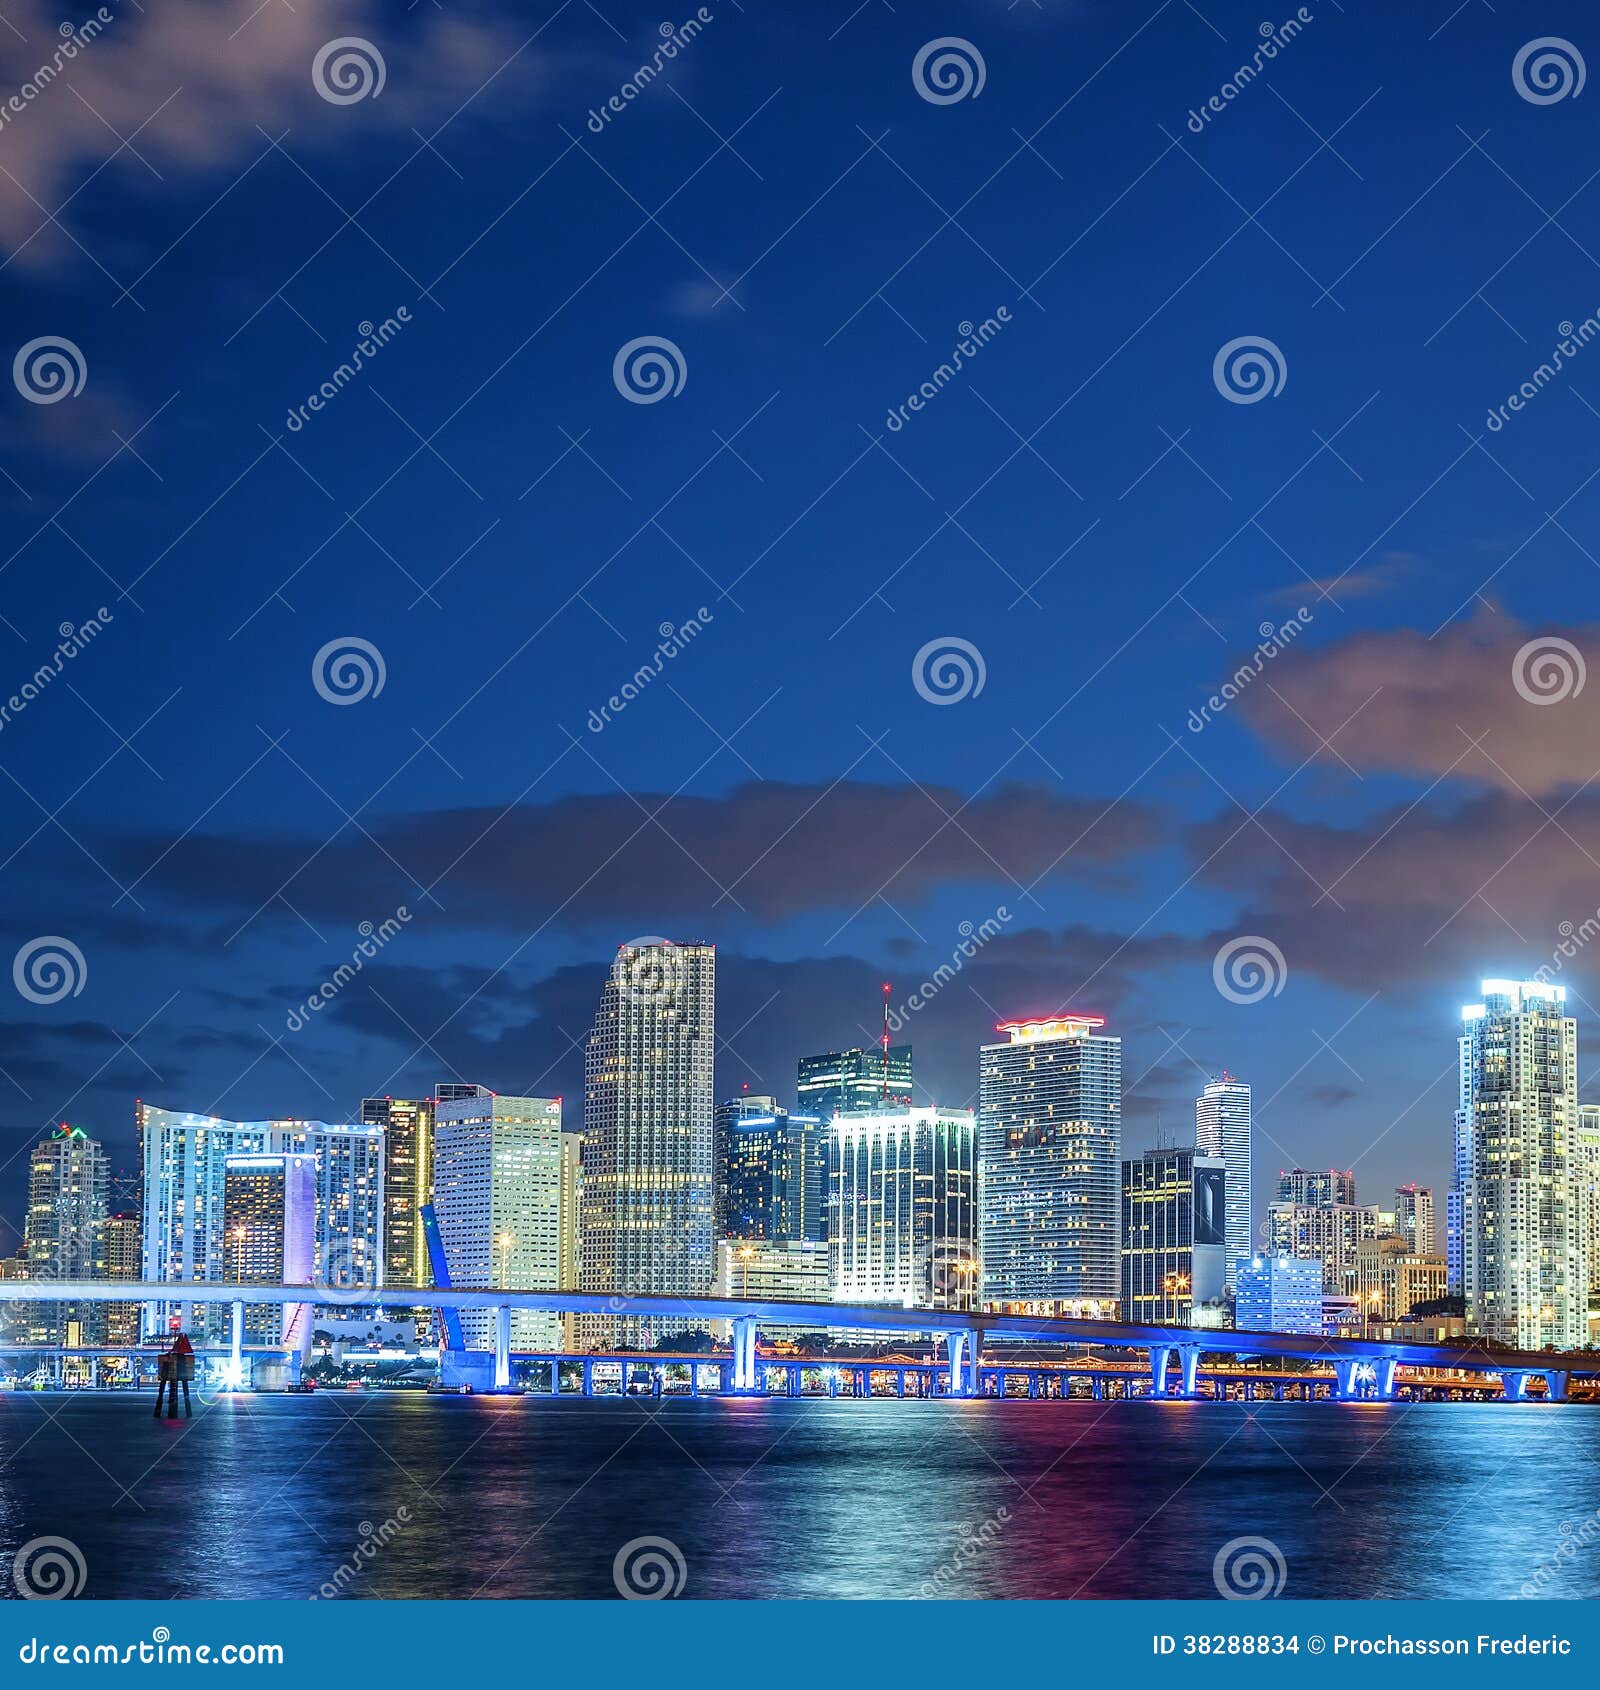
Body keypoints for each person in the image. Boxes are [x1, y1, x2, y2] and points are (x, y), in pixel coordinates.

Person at [153, 1332, 195, 1419]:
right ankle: (187, 1413)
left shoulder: (170, 1359)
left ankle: (159, 1413)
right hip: (180, 1373)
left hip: (170, 1374)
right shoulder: (184, 1359)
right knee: (184, 1393)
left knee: (163, 1393)